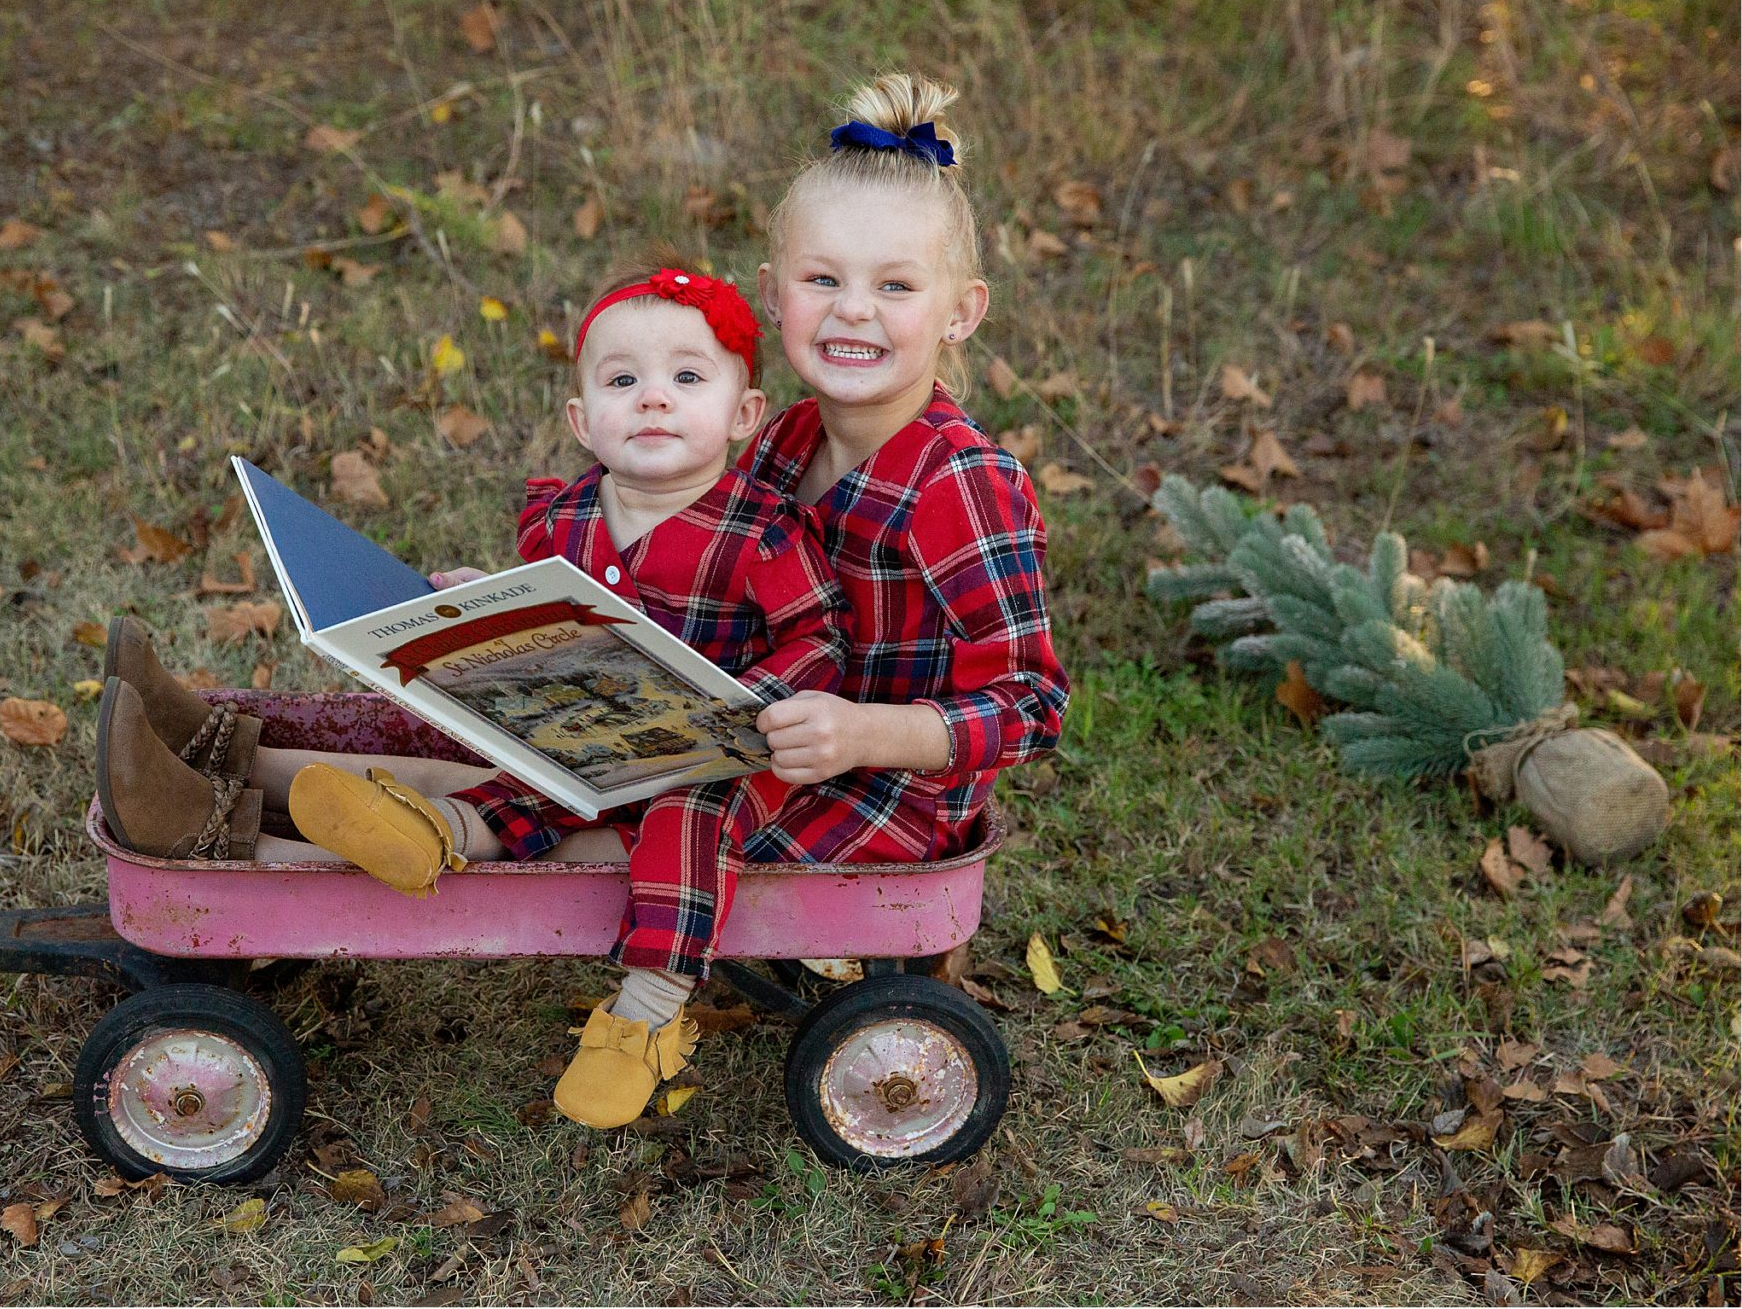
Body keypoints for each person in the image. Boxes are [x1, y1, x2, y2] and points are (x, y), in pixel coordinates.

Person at [95, 256, 852, 1129]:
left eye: (687, 378)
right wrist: (482, 601)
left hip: (720, 760)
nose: (653, 398)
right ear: (581, 417)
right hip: (587, 738)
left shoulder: (760, 533)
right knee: (520, 768)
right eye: (623, 380)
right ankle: (376, 814)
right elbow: (553, 612)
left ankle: (645, 1013)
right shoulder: (566, 517)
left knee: (684, 819)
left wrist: (756, 704)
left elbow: (816, 637)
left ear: (744, 414)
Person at [734, 71, 1071, 871]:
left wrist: (861, 733)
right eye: (823, 280)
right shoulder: (783, 443)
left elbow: (1031, 706)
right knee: (589, 767)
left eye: (895, 286)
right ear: (773, 297)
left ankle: (455, 835)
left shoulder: (958, 483)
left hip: (887, 795)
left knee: (662, 831)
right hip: (774, 748)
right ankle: (426, 796)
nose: (854, 309)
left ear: (960, 312)